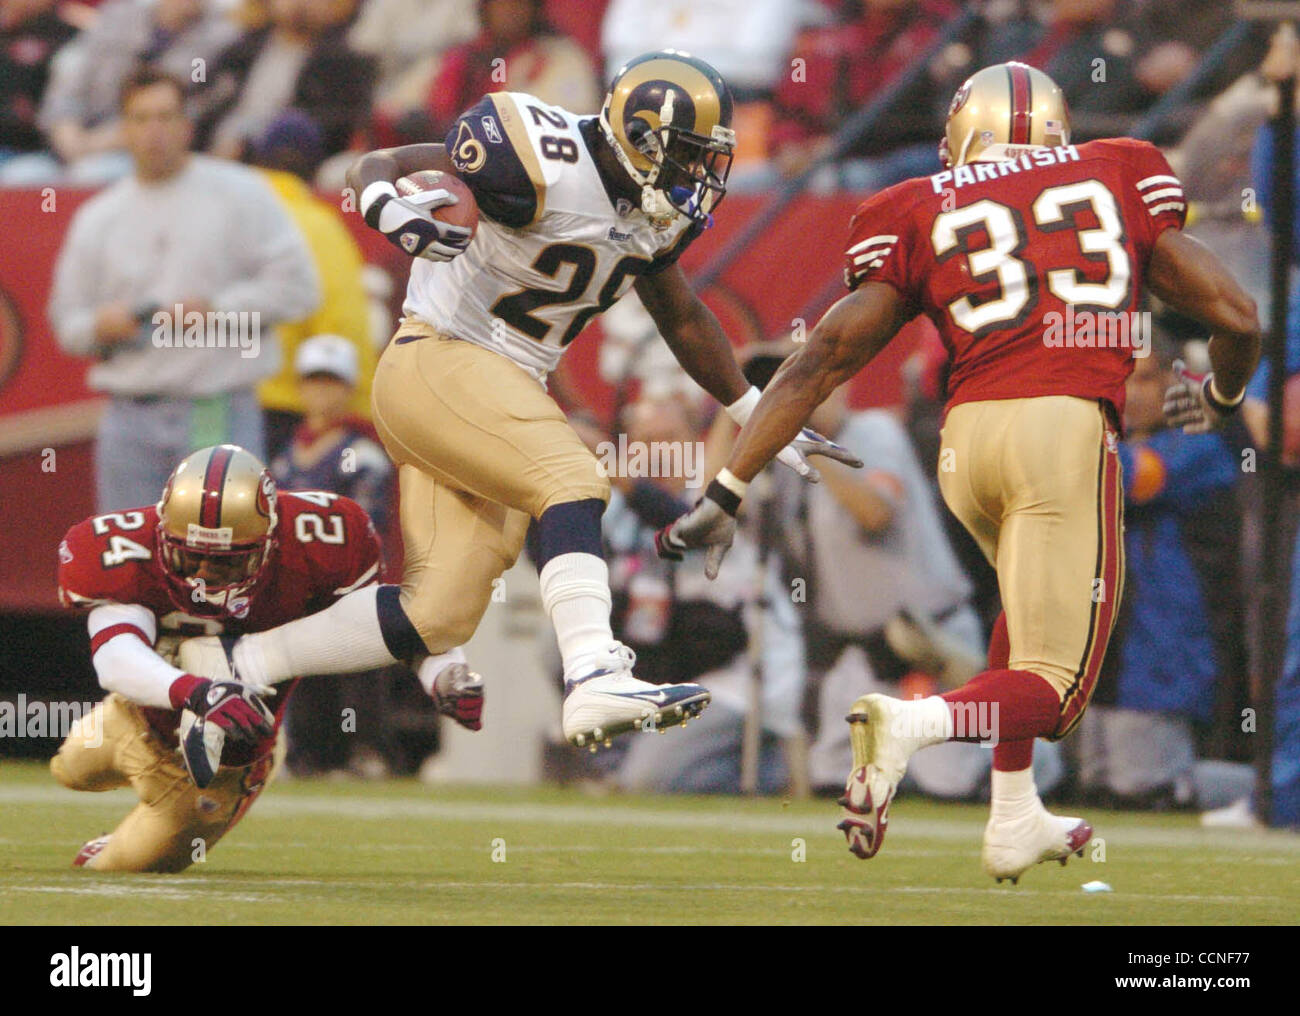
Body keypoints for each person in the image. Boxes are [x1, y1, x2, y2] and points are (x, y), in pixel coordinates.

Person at [659, 62, 1261, 883]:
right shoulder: (1117, 169)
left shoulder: (916, 205)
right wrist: (1220, 396)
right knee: (1058, 691)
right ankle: (914, 724)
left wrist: (727, 488)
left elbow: (820, 359)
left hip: (965, 443)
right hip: (1062, 427)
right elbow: (1238, 314)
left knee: (1023, 617)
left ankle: (1014, 814)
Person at [180, 50, 856, 754]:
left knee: (437, 615)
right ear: (641, 138)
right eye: (689, 156)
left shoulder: (656, 213)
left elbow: (681, 315)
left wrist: (752, 409)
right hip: (439, 358)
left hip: (491, 395)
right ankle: (594, 673)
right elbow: (377, 164)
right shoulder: (538, 148)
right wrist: (387, 206)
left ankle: (236, 665)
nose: (700, 177)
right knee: (571, 477)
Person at [50, 444, 480, 872]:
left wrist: (442, 669)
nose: (202, 578)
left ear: (270, 543)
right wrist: (197, 692)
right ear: (162, 534)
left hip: (220, 769)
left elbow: (383, 625)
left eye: (224, 565)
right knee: (69, 770)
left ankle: (119, 845)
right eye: (190, 557)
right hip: (135, 717)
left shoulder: (320, 538)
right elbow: (114, 655)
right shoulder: (122, 549)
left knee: (116, 869)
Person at [47, 66, 320, 511]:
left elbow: (299, 289)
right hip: (129, 414)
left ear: (188, 126)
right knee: (131, 562)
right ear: (123, 129)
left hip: (217, 407)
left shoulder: (242, 194)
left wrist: (216, 311)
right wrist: (101, 324)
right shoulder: (97, 218)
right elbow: (67, 324)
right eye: (140, 118)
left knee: (228, 554)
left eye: (166, 116)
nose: (154, 131)